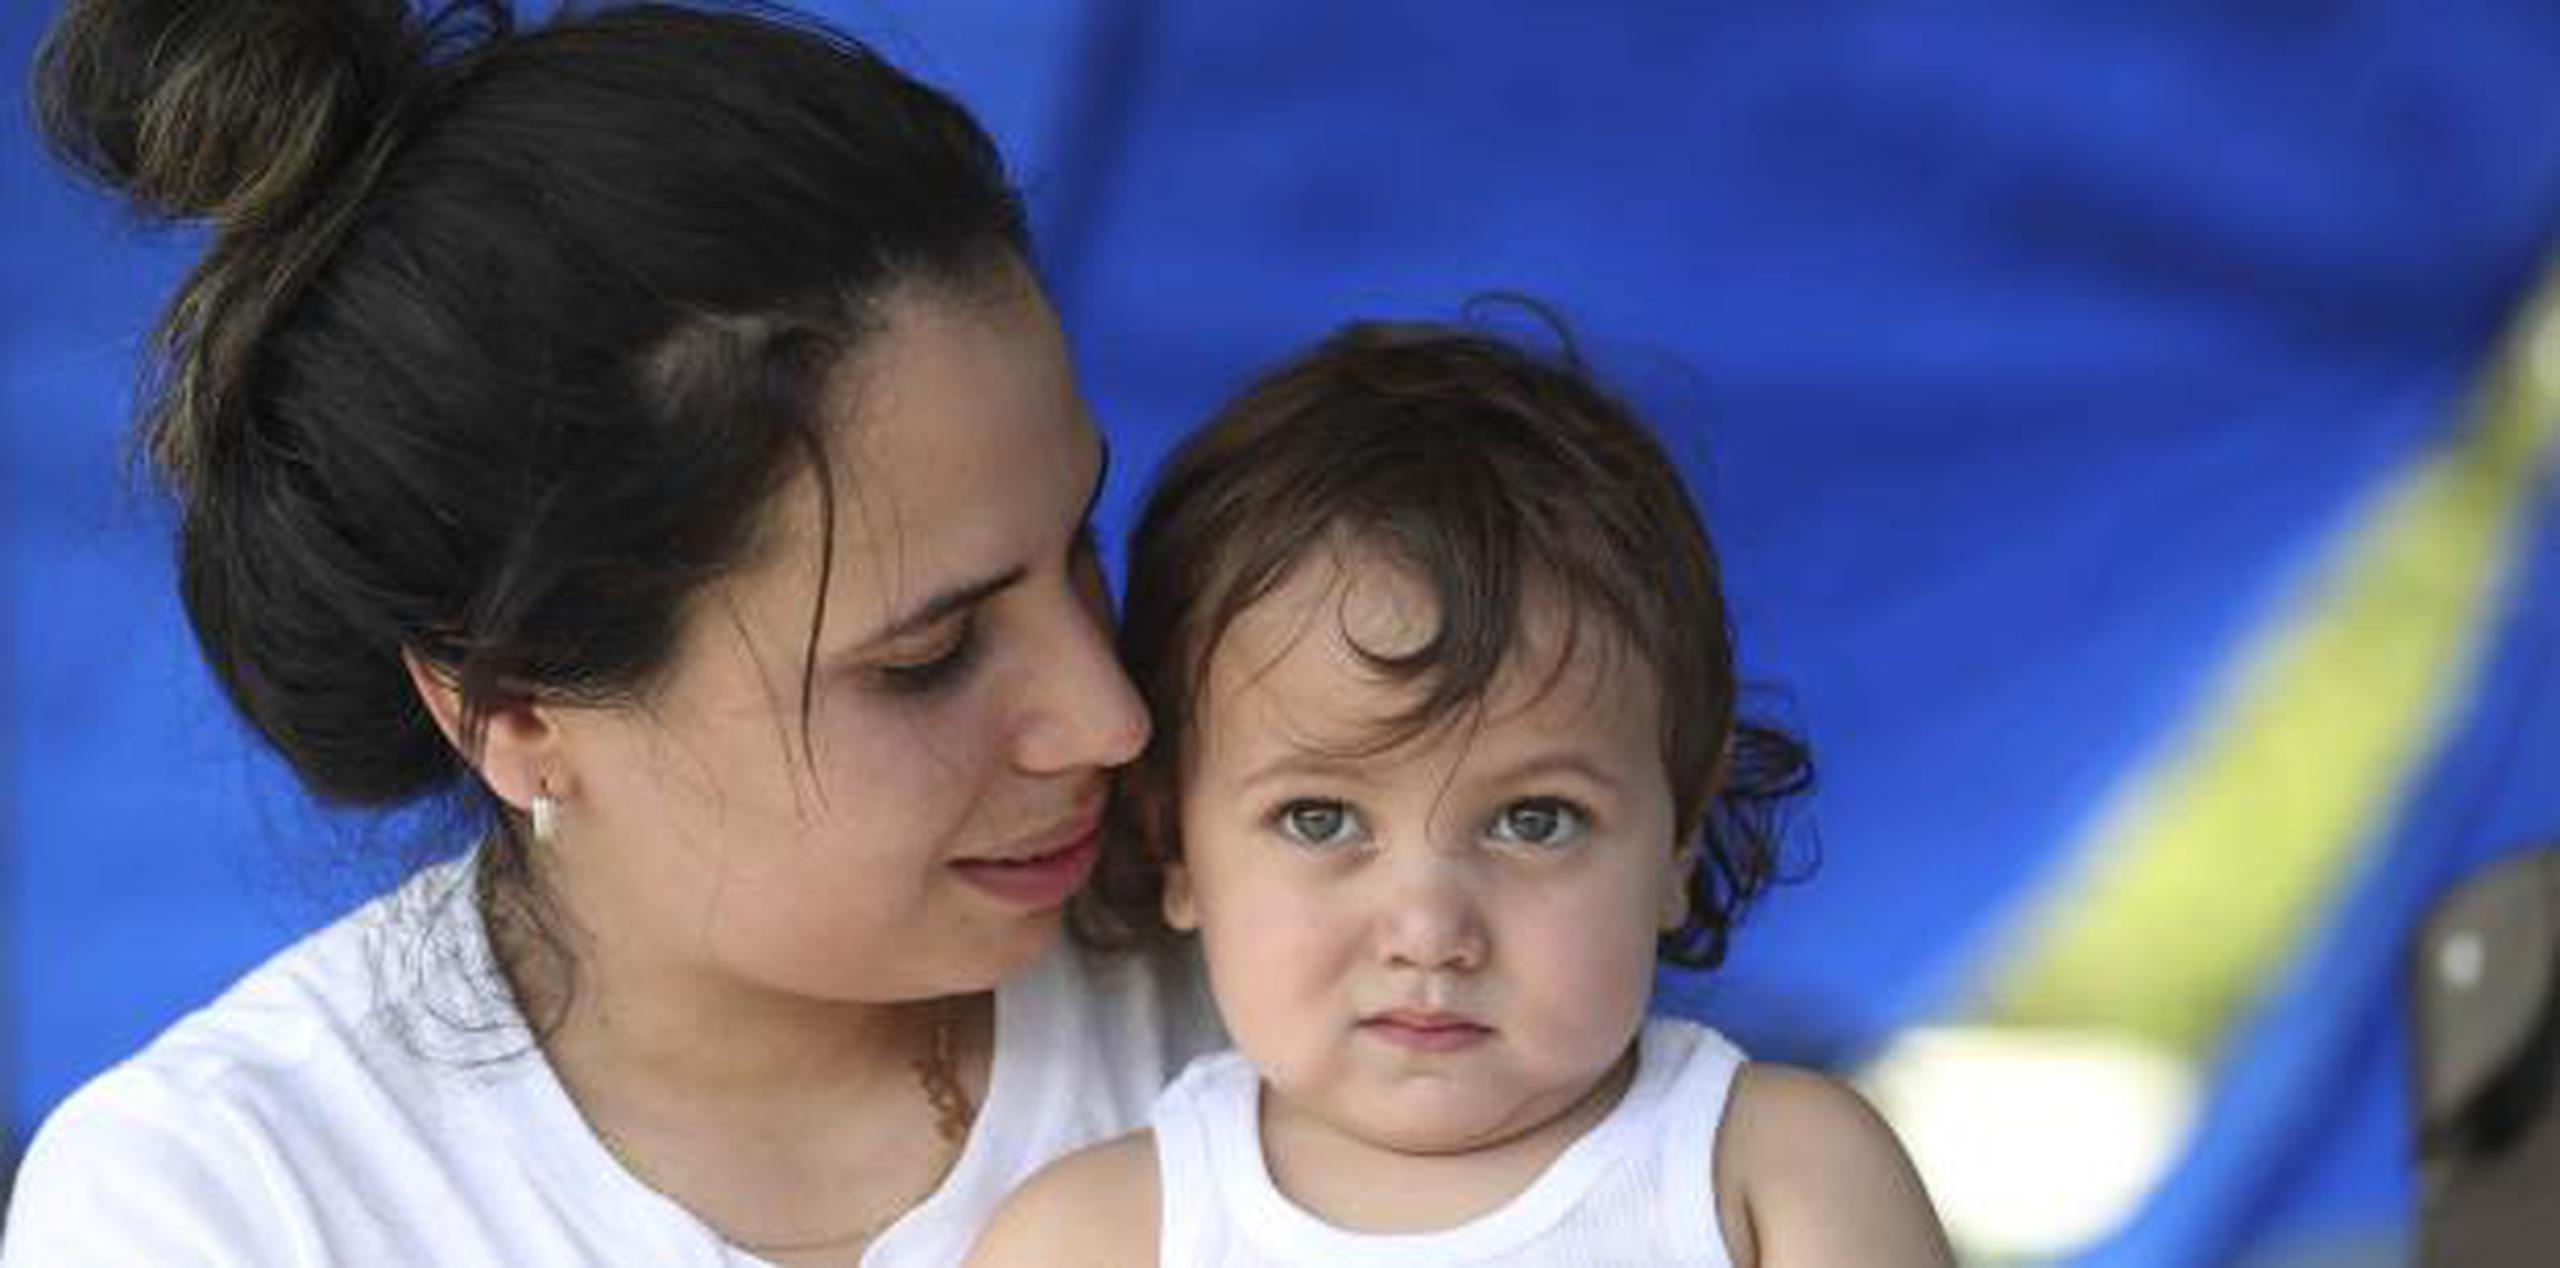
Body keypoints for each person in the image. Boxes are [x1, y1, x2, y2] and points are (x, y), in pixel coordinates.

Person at [3, 2, 1219, 1265]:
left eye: (1081, 544)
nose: (1109, 714)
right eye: (929, 657)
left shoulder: (1317, 972)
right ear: (515, 714)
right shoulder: (222, 1204)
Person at [967, 315, 1955, 1266]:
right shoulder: (1097, 1236)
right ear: (1174, 841)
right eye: (1320, 817)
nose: (1428, 927)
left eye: (1535, 819)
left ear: (1680, 838)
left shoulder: (1774, 1175)